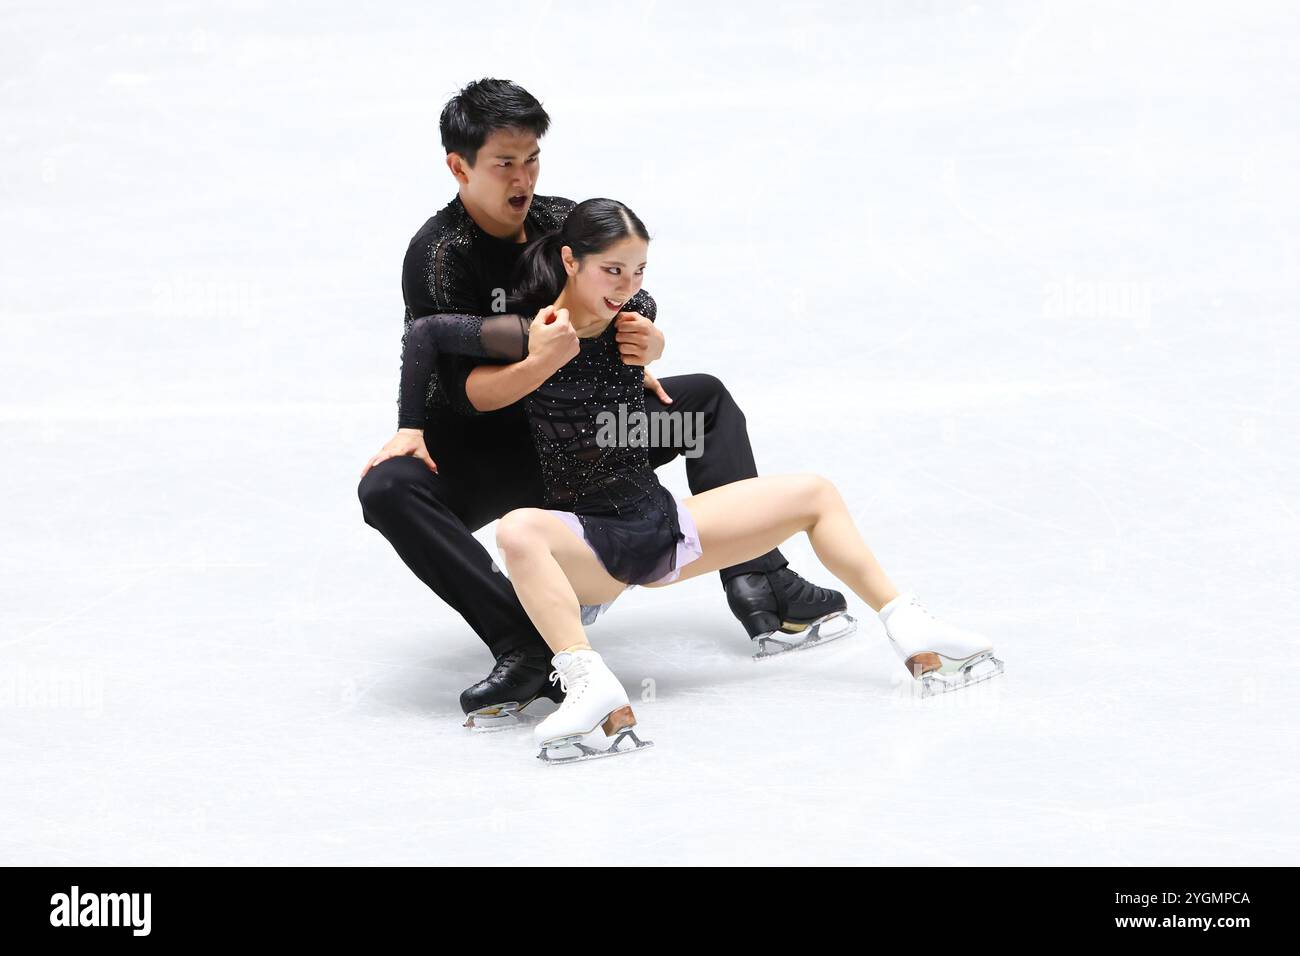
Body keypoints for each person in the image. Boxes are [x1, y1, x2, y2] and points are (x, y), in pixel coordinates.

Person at [401, 198, 1006, 764]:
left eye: (638, 271)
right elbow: (424, 334)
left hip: (661, 530)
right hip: (590, 547)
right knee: (516, 532)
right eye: (612, 270)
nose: (627, 286)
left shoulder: (634, 318)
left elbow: (645, 325)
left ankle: (916, 632)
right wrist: (423, 422)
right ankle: (590, 686)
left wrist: (654, 343)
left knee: (817, 493)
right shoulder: (532, 329)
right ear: (570, 261)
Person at [358, 78, 850, 729]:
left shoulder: (564, 219)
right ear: (459, 166)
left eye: (532, 158)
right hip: (487, 454)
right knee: (389, 489)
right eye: (504, 162)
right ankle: (528, 647)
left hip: (585, 437)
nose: (523, 176)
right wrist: (525, 372)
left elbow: (632, 293)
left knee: (701, 404)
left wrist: (638, 344)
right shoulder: (439, 256)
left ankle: (762, 582)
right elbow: (467, 395)